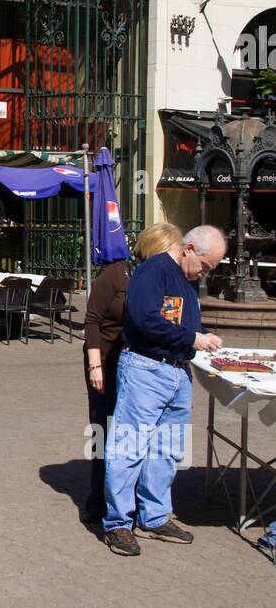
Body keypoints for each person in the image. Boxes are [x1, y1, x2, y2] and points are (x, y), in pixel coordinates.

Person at [102, 225, 225, 556]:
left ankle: (154, 516)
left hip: (176, 373)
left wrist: (204, 335)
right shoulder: (153, 271)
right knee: (130, 446)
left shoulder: (184, 279)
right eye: (206, 265)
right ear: (188, 249)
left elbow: (182, 324)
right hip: (146, 369)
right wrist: (192, 339)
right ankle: (117, 523)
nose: (205, 273)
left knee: (167, 450)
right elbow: (144, 318)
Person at [82, 223, 183, 523]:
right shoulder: (116, 275)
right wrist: (95, 365)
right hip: (106, 359)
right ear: (154, 249)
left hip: (138, 365)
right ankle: (96, 501)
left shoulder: (161, 279)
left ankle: (137, 503)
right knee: (105, 427)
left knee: (134, 435)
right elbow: (92, 320)